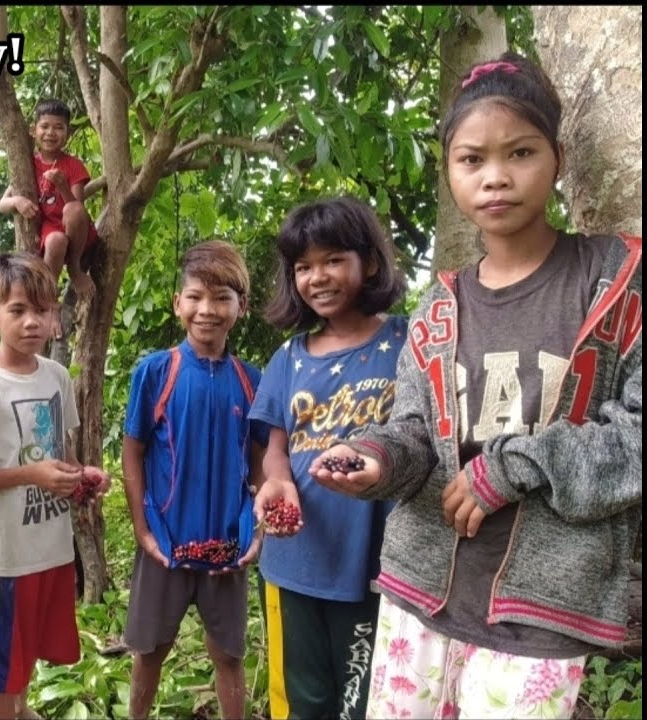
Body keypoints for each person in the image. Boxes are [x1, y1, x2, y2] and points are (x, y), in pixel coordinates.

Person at [313, 52, 642, 719]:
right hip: (420, 593)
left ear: (559, 158)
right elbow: (413, 430)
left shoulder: (614, 284)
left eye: (519, 152)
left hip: (543, 609)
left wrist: (514, 466)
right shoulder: (439, 309)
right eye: (471, 160)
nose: (496, 177)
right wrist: (372, 458)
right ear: (450, 172)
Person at [248, 197, 408, 720]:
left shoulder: (406, 342)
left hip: (375, 563)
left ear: (371, 263)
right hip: (297, 561)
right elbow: (276, 448)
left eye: (333, 259)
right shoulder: (288, 357)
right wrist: (278, 484)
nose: (317, 277)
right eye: (303, 267)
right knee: (304, 700)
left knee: (361, 702)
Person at [0, 252, 109, 720]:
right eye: (17, 310)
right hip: (7, 555)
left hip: (52, 545)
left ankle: (21, 711)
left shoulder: (57, 376)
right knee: (0, 663)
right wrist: (29, 475)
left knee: (29, 650)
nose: (31, 322)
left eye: (41, 311)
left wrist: (82, 476)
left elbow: (60, 454)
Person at [121, 240, 268, 720]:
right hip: (165, 540)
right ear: (178, 303)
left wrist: (258, 527)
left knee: (228, 654)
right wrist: (143, 529)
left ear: (240, 307)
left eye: (222, 298)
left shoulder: (252, 380)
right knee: (150, 651)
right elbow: (134, 451)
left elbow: (262, 461)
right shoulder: (155, 371)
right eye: (196, 297)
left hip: (226, 544)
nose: (208, 310)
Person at [0, 98, 99, 302]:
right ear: (35, 131)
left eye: (58, 127)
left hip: (77, 234)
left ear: (67, 133)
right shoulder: (28, 164)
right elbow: (1, 205)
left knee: (74, 210)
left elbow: (78, 209)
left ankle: (74, 268)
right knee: (55, 240)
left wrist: (62, 186)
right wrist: (17, 201)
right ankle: (48, 301)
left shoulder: (73, 165)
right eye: (45, 126)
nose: (51, 133)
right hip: (50, 233)